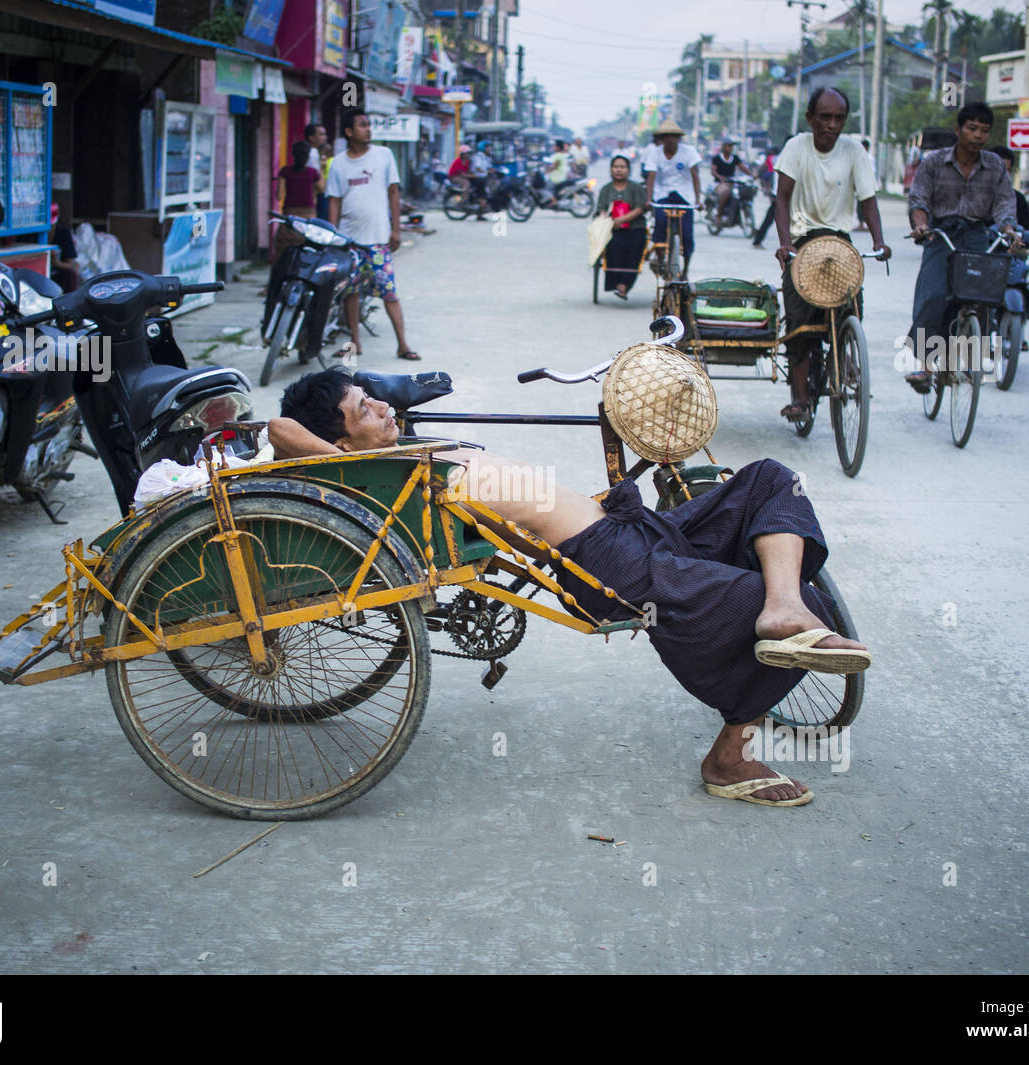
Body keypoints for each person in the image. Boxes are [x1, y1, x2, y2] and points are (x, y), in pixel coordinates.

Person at [268, 367, 873, 808]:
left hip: (625, 528)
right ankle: (728, 757)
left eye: (375, 399)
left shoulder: (408, 452)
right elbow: (279, 429)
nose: (383, 407)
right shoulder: (383, 475)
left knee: (770, 478)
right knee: (759, 600)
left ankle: (783, 606)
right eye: (365, 409)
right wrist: (338, 457)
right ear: (341, 443)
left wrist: (364, 426)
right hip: (613, 566)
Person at [773, 87, 891, 420]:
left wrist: (879, 242)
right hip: (803, 242)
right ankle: (800, 398)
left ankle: (844, 356)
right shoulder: (796, 147)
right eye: (825, 117)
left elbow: (868, 200)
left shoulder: (854, 152)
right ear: (810, 118)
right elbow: (781, 198)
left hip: (839, 242)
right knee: (800, 320)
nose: (832, 125)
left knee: (851, 304)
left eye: (839, 118)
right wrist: (785, 243)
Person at [903, 101, 1018, 393]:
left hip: (977, 236)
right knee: (934, 295)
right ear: (958, 129)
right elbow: (919, 199)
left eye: (984, 131)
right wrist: (920, 225)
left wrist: (1008, 230)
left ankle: (965, 354)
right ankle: (924, 365)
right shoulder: (933, 162)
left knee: (979, 297)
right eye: (972, 128)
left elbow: (1005, 202)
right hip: (941, 234)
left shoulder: (994, 166)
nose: (978, 135)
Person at [326, 108, 420, 361]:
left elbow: (393, 192)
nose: (368, 129)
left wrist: (396, 228)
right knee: (350, 293)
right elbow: (334, 200)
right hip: (350, 241)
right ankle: (355, 342)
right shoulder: (337, 163)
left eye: (368, 125)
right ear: (348, 131)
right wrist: (332, 237)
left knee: (389, 292)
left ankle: (403, 344)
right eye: (362, 125)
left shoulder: (384, 155)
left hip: (379, 240)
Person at [990, 145, 1029, 352]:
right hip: (985, 256)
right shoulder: (977, 196)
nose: (1003, 174)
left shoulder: (1017, 198)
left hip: (1012, 257)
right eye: (998, 169)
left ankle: (1020, 324)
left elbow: (1026, 231)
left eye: (1007, 169)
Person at [643, 118, 702, 279]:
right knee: (660, 223)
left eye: (673, 136)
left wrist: (698, 200)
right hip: (663, 194)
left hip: (685, 196)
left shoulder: (688, 151)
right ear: (661, 139)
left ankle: (686, 269)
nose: (670, 139)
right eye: (666, 136)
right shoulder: (655, 153)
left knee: (687, 234)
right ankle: (661, 258)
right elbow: (651, 177)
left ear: (678, 138)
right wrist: (649, 200)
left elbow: (695, 175)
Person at [595, 154, 648, 299]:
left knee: (636, 248)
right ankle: (617, 284)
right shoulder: (605, 190)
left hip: (635, 228)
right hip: (613, 229)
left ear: (628, 170)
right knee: (613, 248)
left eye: (622, 167)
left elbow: (640, 208)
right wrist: (607, 218)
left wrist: (623, 219)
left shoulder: (636, 188)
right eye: (616, 167)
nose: (619, 170)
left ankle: (624, 285)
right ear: (611, 170)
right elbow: (601, 209)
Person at [710, 139, 753, 222]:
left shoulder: (735, 158)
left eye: (731, 146)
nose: (730, 148)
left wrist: (751, 174)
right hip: (720, 183)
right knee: (726, 192)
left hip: (732, 182)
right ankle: (719, 213)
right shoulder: (717, 158)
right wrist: (720, 177)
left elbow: (743, 168)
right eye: (729, 146)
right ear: (723, 147)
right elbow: (713, 171)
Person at [279, 140, 324, 219]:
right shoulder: (313, 173)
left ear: (293, 154)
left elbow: (279, 196)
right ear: (308, 156)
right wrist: (322, 169)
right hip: (309, 213)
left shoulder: (285, 171)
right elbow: (321, 189)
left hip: (290, 212)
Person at [48, 202, 79, 292]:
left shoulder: (64, 234)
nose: (49, 229)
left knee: (70, 275)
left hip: (57, 275)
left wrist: (56, 263)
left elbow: (71, 264)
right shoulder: (33, 234)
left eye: (51, 225)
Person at [305, 123, 330, 219]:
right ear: (311, 137)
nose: (325, 137)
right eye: (321, 134)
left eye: (324, 134)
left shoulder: (314, 152)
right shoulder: (313, 154)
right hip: (316, 195)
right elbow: (319, 185)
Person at [854, 138, 876, 230]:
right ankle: (861, 224)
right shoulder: (859, 156)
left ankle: (867, 225)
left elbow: (872, 171)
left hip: (867, 185)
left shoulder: (869, 158)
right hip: (860, 185)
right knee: (860, 206)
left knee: (868, 206)